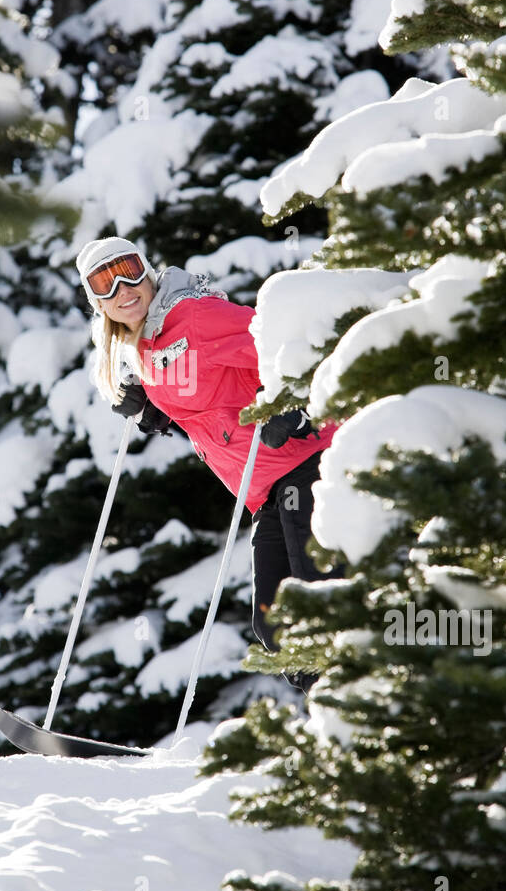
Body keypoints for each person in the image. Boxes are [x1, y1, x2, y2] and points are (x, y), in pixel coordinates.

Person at [75, 235, 342, 692]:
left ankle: (369, 709)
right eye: (105, 283)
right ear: (95, 302)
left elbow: (282, 343)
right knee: (276, 628)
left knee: (319, 603)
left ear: (147, 268)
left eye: (130, 270)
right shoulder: (147, 345)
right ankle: (339, 717)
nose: (123, 289)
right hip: (265, 490)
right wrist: (154, 410)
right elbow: (207, 403)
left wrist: (296, 402)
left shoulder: (193, 316)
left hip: (307, 460)